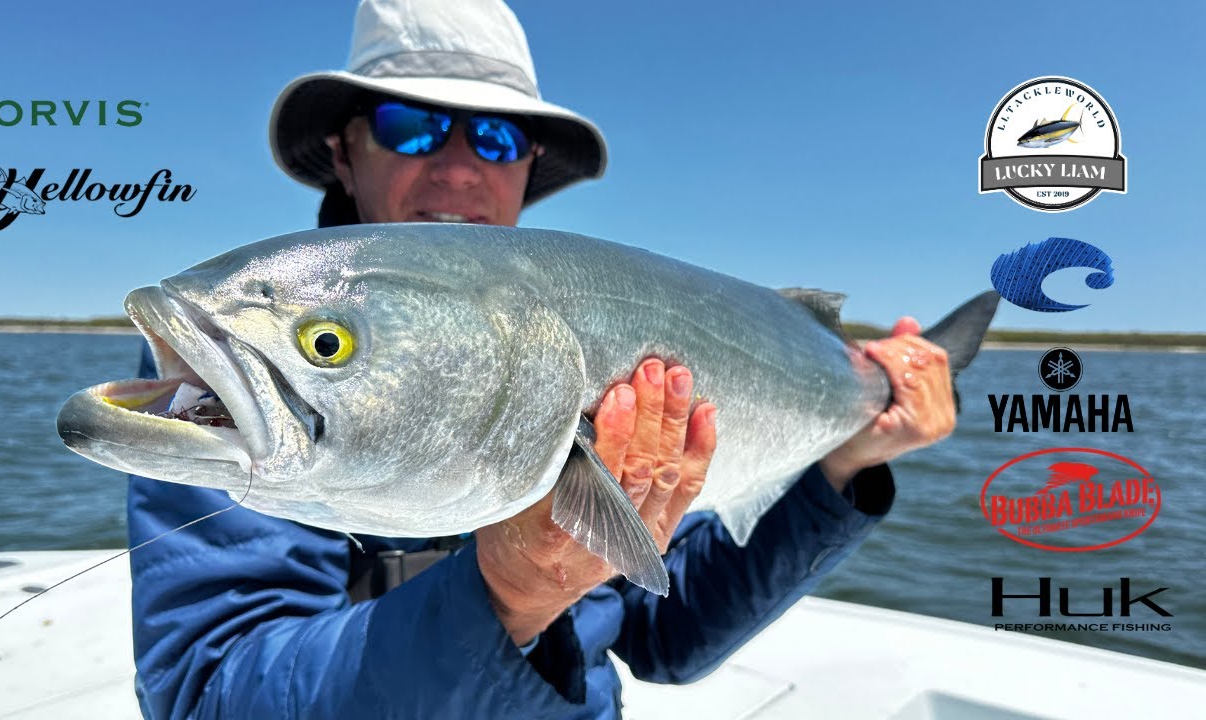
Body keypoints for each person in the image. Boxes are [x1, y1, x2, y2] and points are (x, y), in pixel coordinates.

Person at [127, 1, 955, 718]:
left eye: (495, 137)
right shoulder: (249, 365)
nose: (456, 170)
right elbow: (211, 694)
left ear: (527, 167)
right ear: (345, 151)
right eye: (406, 127)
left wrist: (845, 465)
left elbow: (669, 635)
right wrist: (510, 596)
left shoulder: (609, 326)